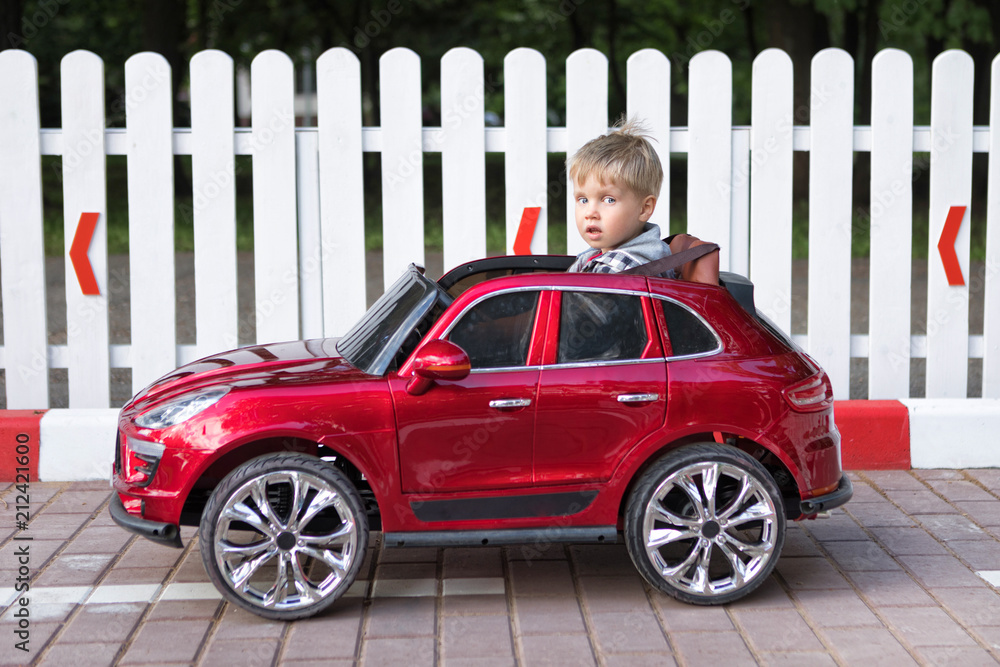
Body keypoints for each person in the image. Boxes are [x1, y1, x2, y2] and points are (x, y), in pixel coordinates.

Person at [565, 118, 676, 278]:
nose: (590, 213)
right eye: (583, 200)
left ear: (644, 208)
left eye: (608, 200)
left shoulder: (618, 272)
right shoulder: (600, 254)